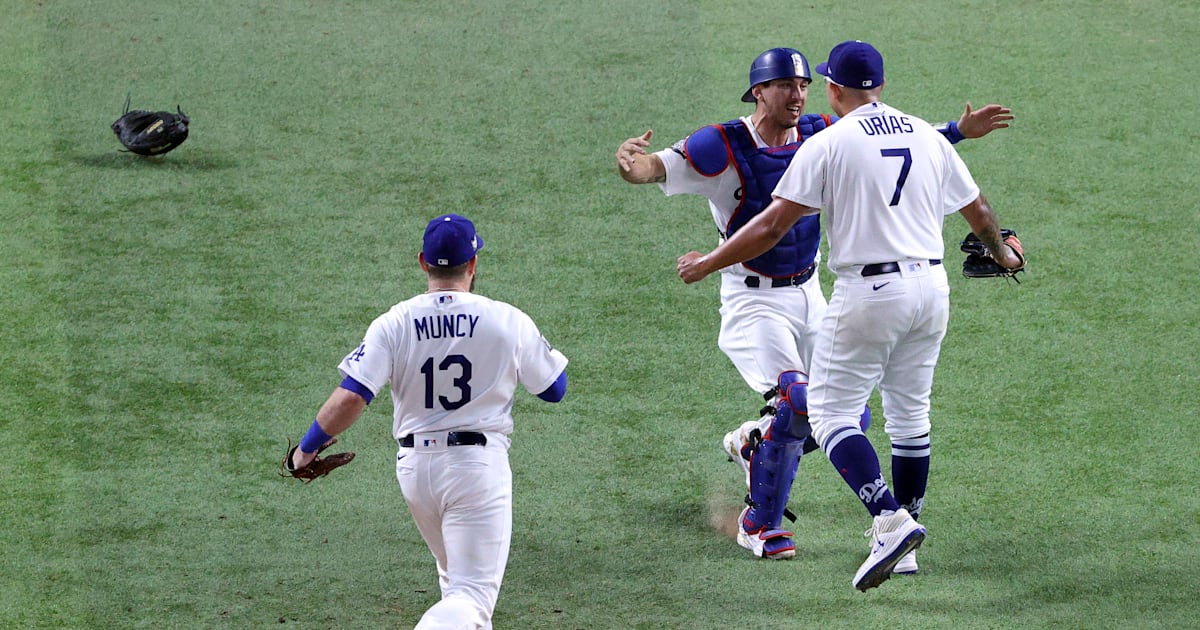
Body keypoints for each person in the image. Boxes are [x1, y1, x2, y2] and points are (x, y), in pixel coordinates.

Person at [615, 47, 1012, 561]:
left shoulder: (823, 132)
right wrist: (630, 165)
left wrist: (958, 132)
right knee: (803, 403)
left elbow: (886, 147)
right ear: (759, 90)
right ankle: (759, 523)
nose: (797, 95)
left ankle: (758, 443)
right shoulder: (723, 144)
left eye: (803, 84)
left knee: (851, 419)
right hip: (753, 303)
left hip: (812, 294)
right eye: (785, 85)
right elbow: (654, 169)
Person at [285, 214, 569, 628]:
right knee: (470, 597)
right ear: (472, 265)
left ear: (423, 263)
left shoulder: (395, 321)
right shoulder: (506, 319)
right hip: (475, 470)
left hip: (416, 472)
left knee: (456, 586)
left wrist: (306, 450)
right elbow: (553, 389)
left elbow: (351, 396)